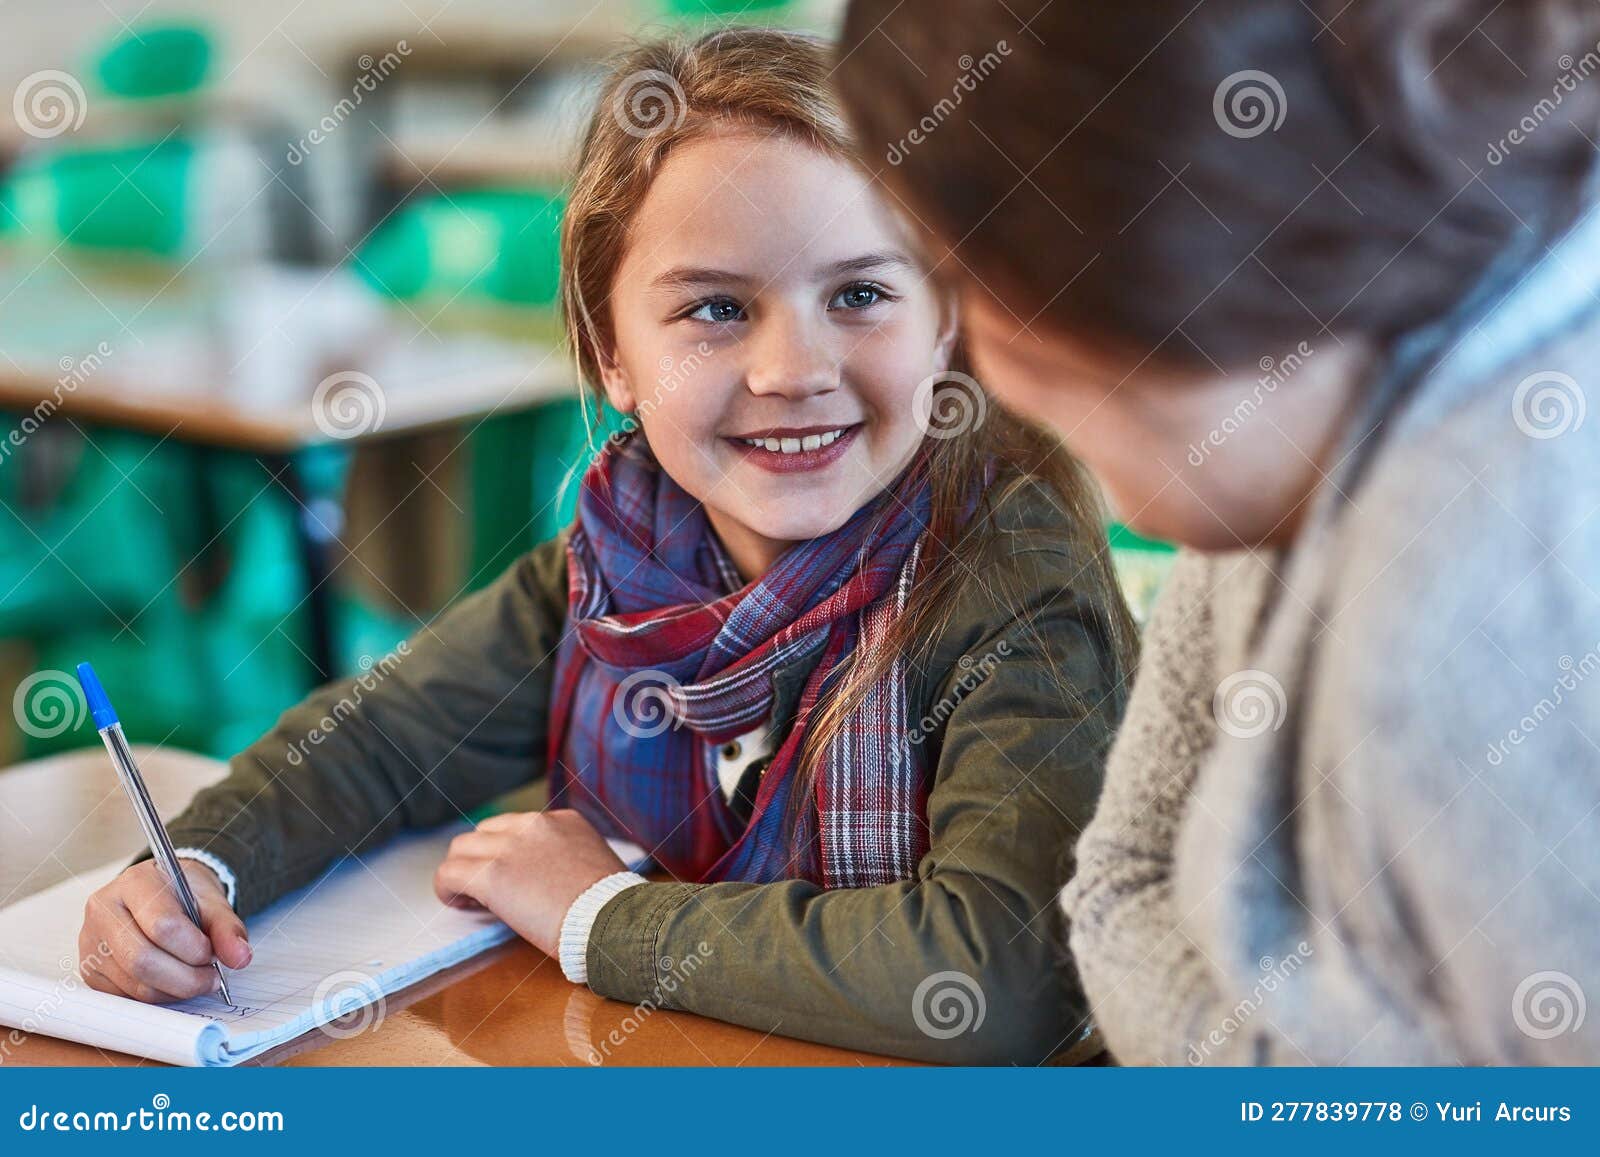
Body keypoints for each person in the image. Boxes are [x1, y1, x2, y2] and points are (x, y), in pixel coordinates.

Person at [75, 28, 1136, 1065]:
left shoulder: (1016, 587)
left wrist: (601, 916)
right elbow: (381, 740)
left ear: (945, 318)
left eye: (859, 294)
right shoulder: (619, 567)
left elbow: (1002, 981)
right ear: (609, 354)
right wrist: (200, 862)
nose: (793, 369)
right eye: (717, 309)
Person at [836, 0, 1600, 1063]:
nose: (966, 360)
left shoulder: (1485, 613)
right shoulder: (1289, 456)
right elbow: (1119, 877)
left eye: (961, 273)